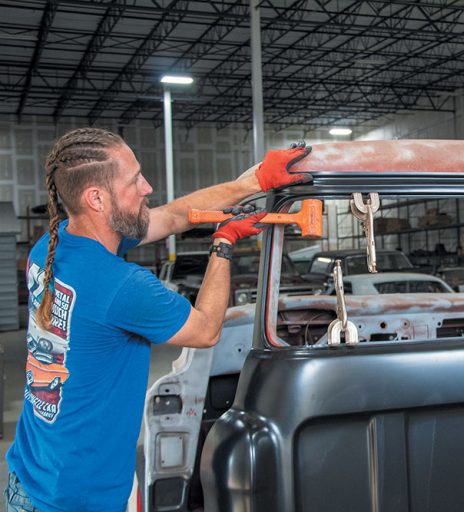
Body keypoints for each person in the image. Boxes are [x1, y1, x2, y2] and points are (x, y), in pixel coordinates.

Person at [4, 127, 311, 512]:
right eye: (134, 180)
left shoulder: (53, 242)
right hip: (76, 498)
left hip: (32, 473)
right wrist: (223, 244)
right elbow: (205, 330)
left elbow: (175, 215)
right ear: (96, 198)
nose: (147, 187)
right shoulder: (121, 286)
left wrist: (255, 181)